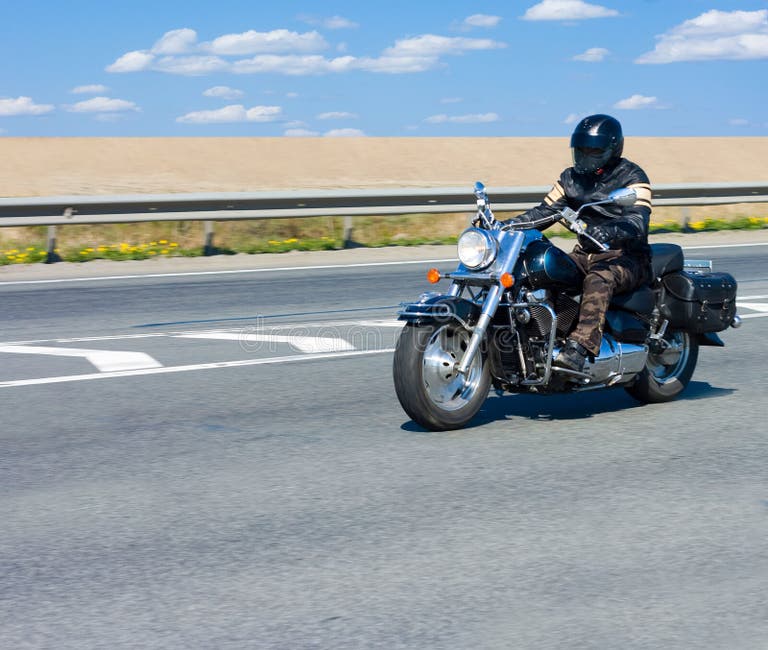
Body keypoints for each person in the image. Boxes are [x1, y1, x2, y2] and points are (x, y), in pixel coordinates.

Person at [505, 114, 653, 372]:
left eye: (594, 151)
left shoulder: (631, 176)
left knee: (599, 278)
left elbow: (638, 220)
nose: (585, 157)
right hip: (586, 253)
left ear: (612, 149)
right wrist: (504, 226)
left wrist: (610, 230)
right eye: (581, 151)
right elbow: (544, 212)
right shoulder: (570, 178)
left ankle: (579, 348)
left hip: (627, 257)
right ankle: (546, 338)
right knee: (542, 271)